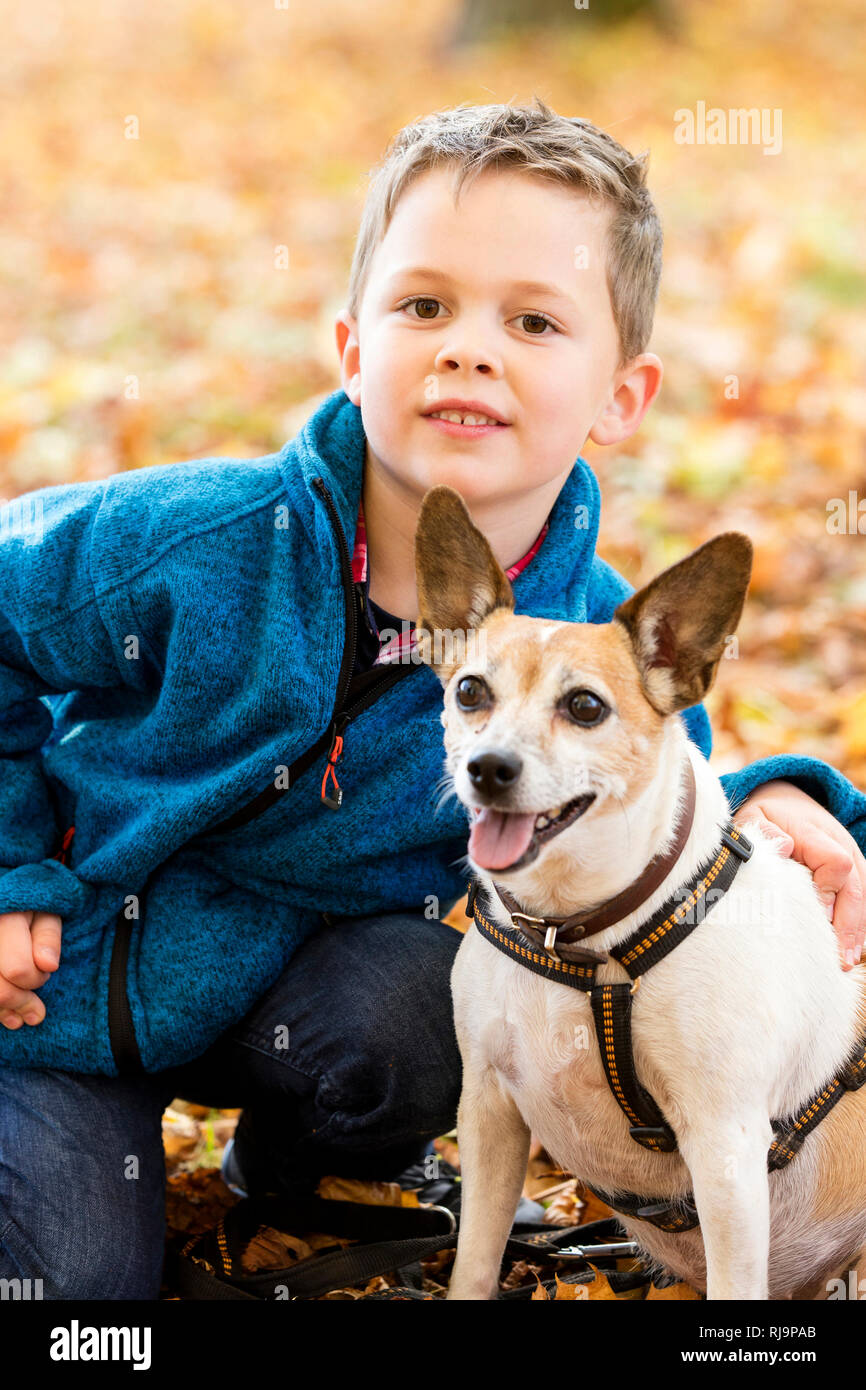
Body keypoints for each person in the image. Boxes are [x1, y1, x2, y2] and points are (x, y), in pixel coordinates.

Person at [1, 97, 864, 1300]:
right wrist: (12, 874)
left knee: (429, 995)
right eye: (424, 307)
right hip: (58, 989)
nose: (469, 348)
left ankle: (292, 1174)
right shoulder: (193, 544)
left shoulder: (598, 635)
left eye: (531, 319)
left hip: (306, 1001)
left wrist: (784, 795)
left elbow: (658, 796)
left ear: (621, 392)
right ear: (353, 346)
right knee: (72, 1294)